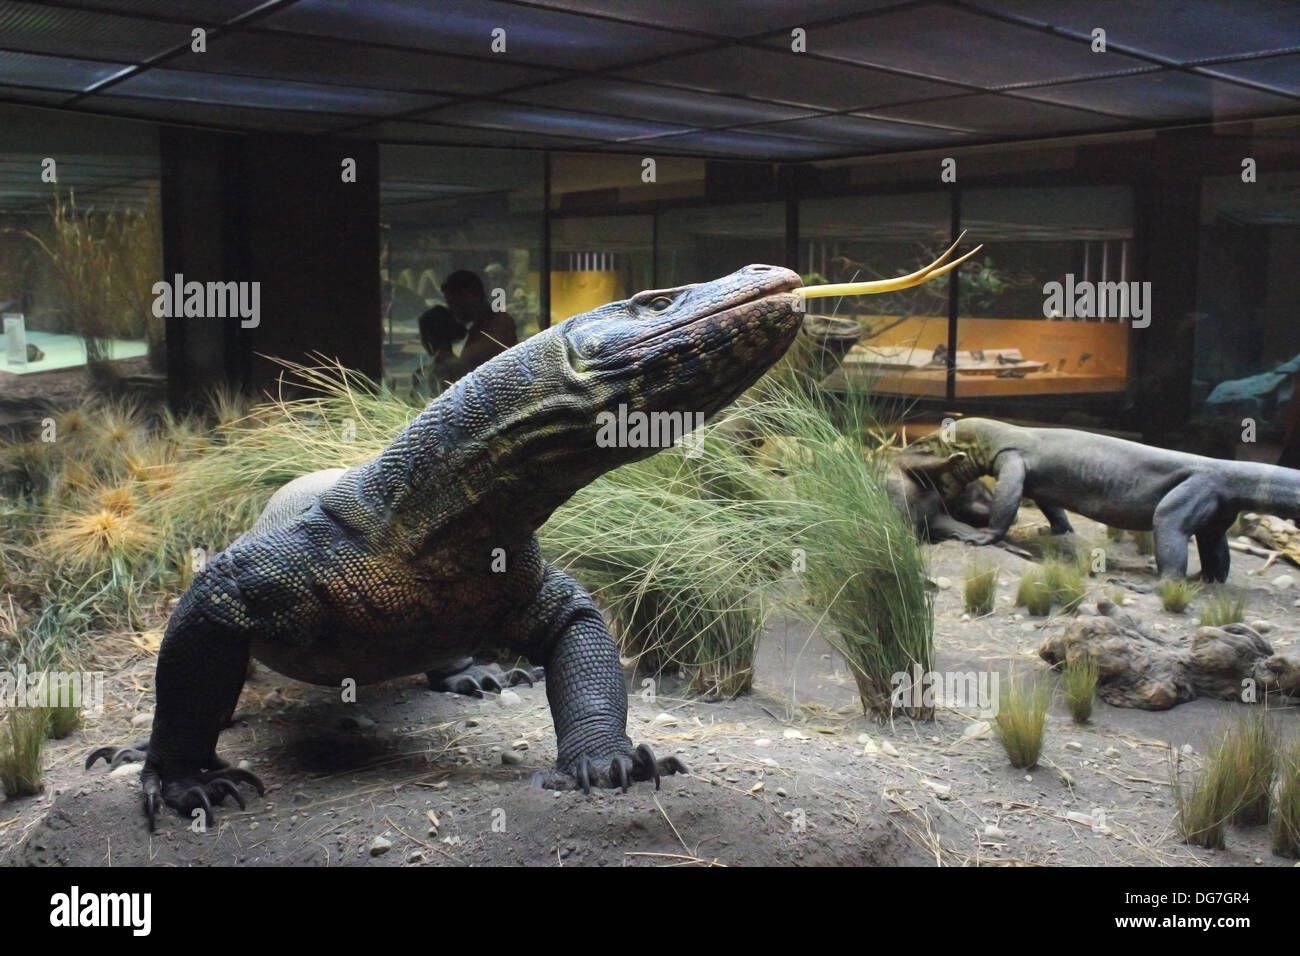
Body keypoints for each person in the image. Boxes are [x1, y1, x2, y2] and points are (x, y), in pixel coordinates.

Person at [439, 270, 518, 379]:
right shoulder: (477, 327)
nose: (451, 309)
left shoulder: (501, 322)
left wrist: (449, 361)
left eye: (453, 302)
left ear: (469, 296)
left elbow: (476, 357)